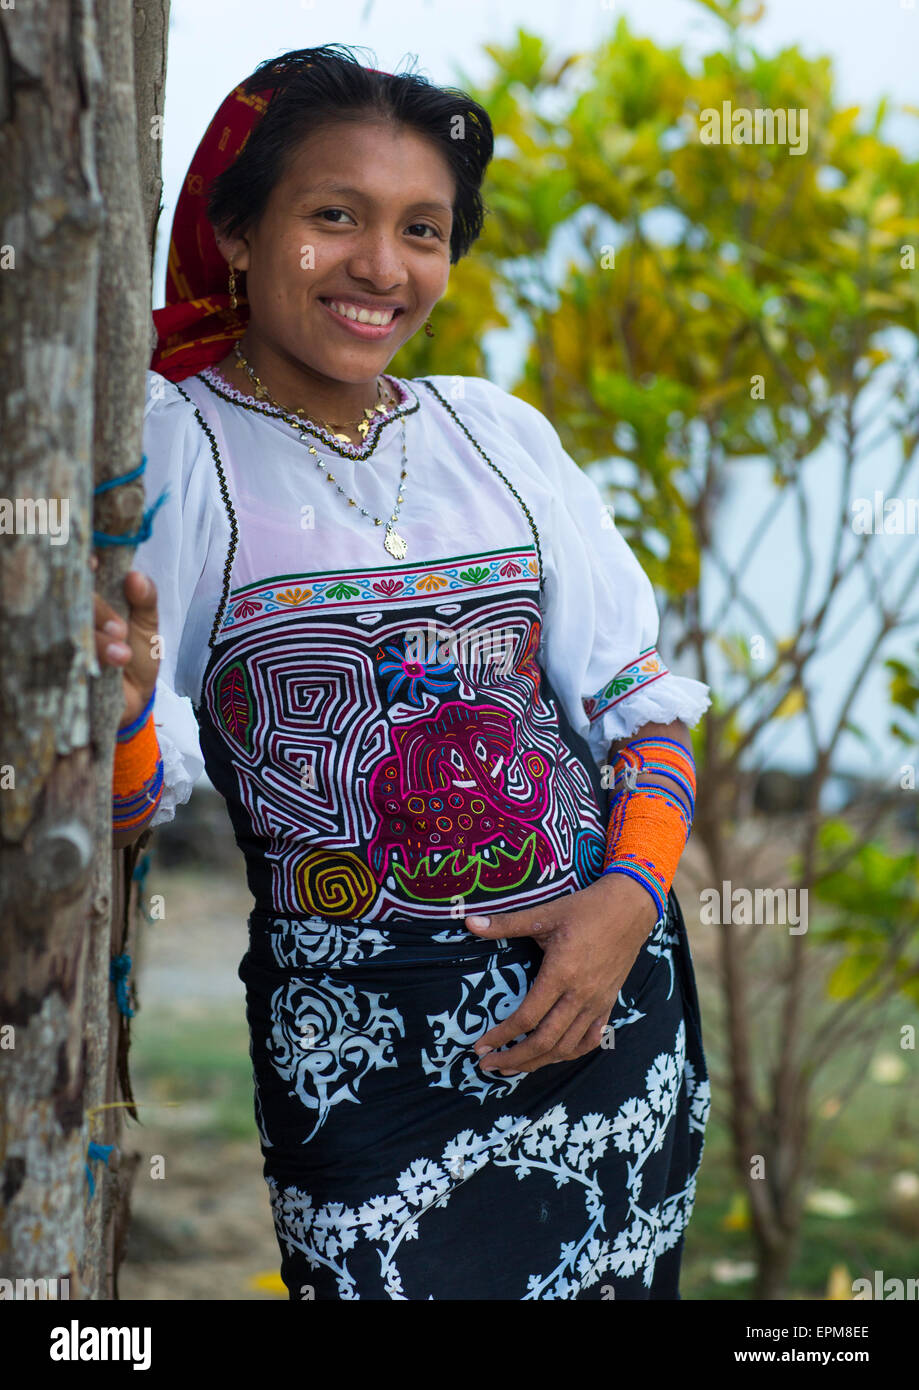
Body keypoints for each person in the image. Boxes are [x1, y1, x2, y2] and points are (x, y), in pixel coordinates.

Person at [94, 44, 712, 1300]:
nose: (384, 267)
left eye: (422, 229)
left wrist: (626, 900)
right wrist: (107, 719)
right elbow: (128, 783)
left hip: (612, 1008)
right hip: (361, 1058)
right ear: (237, 232)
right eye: (335, 216)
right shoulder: (177, 447)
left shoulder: (497, 433)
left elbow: (638, 708)